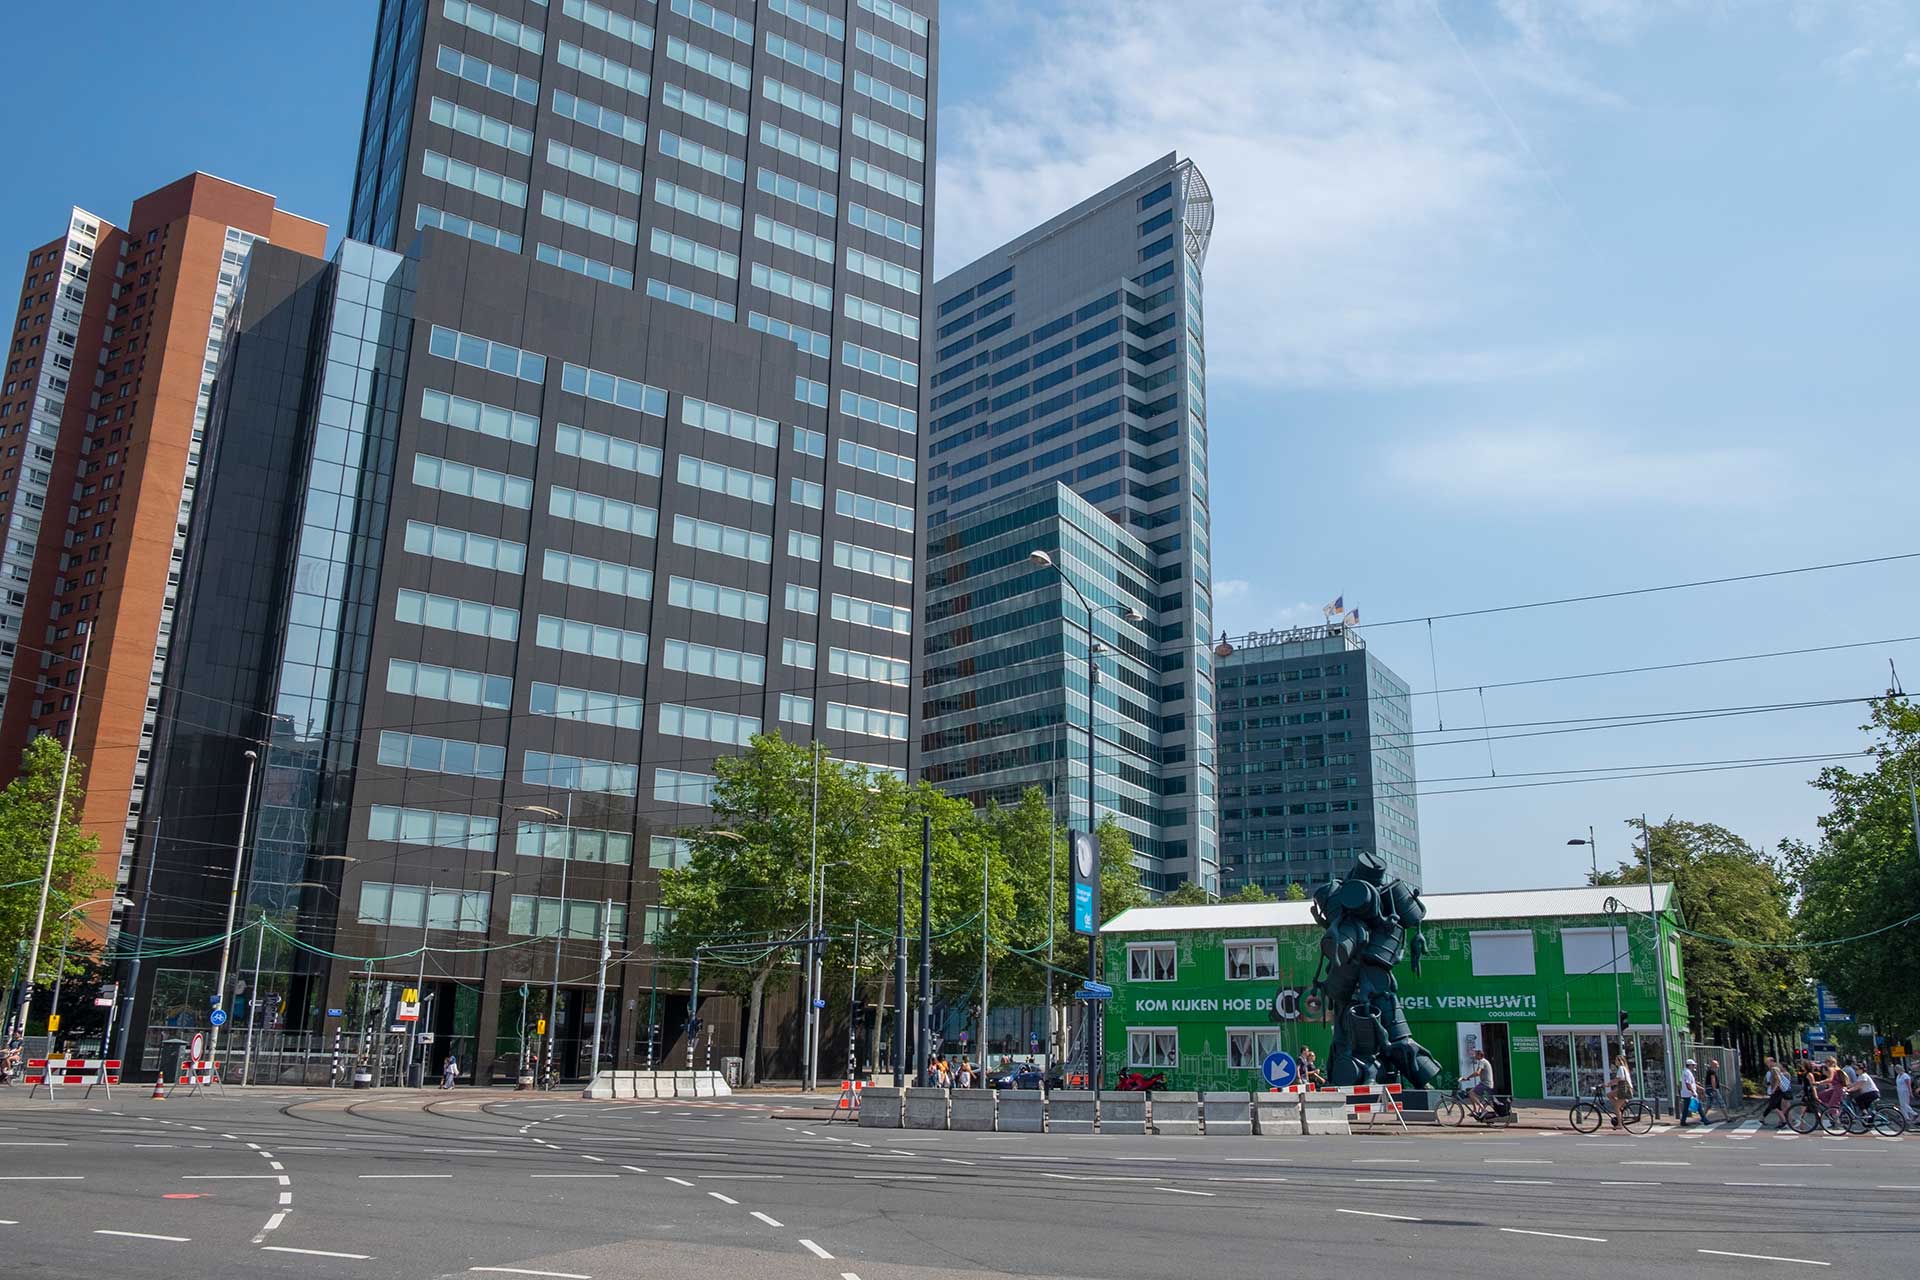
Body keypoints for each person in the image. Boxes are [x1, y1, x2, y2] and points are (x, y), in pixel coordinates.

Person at [1758, 1056, 1793, 1128]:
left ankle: (1784, 1121)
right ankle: (1782, 1121)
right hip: (1777, 1090)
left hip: (1777, 1091)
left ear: (1772, 1062)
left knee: (1773, 1105)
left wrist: (1774, 1089)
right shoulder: (1772, 1070)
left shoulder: (1774, 1069)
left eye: (1768, 1062)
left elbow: (1777, 1080)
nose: (1767, 1064)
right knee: (1777, 1106)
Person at [1608, 1053, 1634, 1130]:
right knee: (1609, 1094)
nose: (1615, 1062)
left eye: (1616, 1060)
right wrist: (1610, 1083)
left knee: (1616, 1107)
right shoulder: (1624, 1068)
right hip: (1624, 1089)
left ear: (1619, 1061)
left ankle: (1620, 1124)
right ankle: (1621, 1106)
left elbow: (1620, 1079)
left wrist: (1609, 1084)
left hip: (1624, 1090)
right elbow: (1619, 1080)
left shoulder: (1621, 1068)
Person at [1678, 1059, 1701, 1126]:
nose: (1694, 1066)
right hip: (1688, 1093)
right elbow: (1688, 1084)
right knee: (1696, 1105)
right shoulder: (1687, 1073)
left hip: (1686, 1093)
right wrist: (1693, 1092)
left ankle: (1683, 1121)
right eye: (1693, 1065)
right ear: (1690, 1065)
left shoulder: (1685, 1072)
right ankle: (1704, 1119)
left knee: (1687, 1107)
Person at [1896, 1060, 1914, 1125]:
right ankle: (1906, 1117)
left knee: (1905, 1104)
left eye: (1897, 1069)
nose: (1896, 1071)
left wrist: (1910, 1092)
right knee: (1902, 1105)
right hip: (1900, 1092)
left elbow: (1908, 1085)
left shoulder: (1905, 1076)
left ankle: (1914, 1113)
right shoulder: (1898, 1076)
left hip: (1905, 1091)